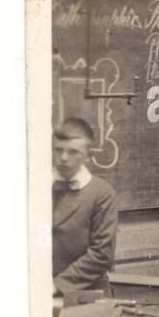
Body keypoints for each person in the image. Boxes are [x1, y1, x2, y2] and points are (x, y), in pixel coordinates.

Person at [52, 117, 118, 296]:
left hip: (86, 292)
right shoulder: (34, 185)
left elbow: (102, 254)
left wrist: (56, 286)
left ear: (89, 156)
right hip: (36, 291)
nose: (63, 158)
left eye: (73, 152)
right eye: (58, 150)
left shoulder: (101, 193)